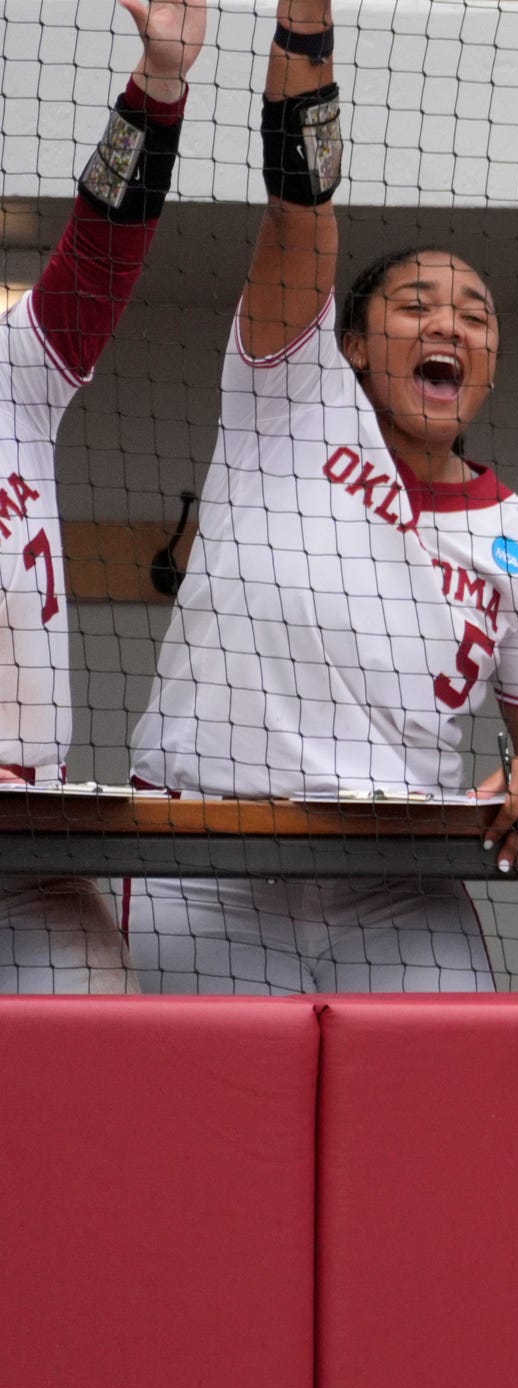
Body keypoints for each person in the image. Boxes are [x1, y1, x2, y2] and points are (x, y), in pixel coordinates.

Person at [127, 0, 518, 994]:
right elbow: (300, 208)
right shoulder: (290, 398)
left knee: (433, 1127)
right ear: (349, 343)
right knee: (190, 1132)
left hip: (399, 877)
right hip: (201, 854)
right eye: (416, 305)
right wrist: (304, 36)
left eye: (475, 315)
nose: (452, 325)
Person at [2, 0, 205, 992]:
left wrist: (158, 91)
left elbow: (103, 239)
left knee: (91, 1087)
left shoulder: (14, 373)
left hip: (28, 849)